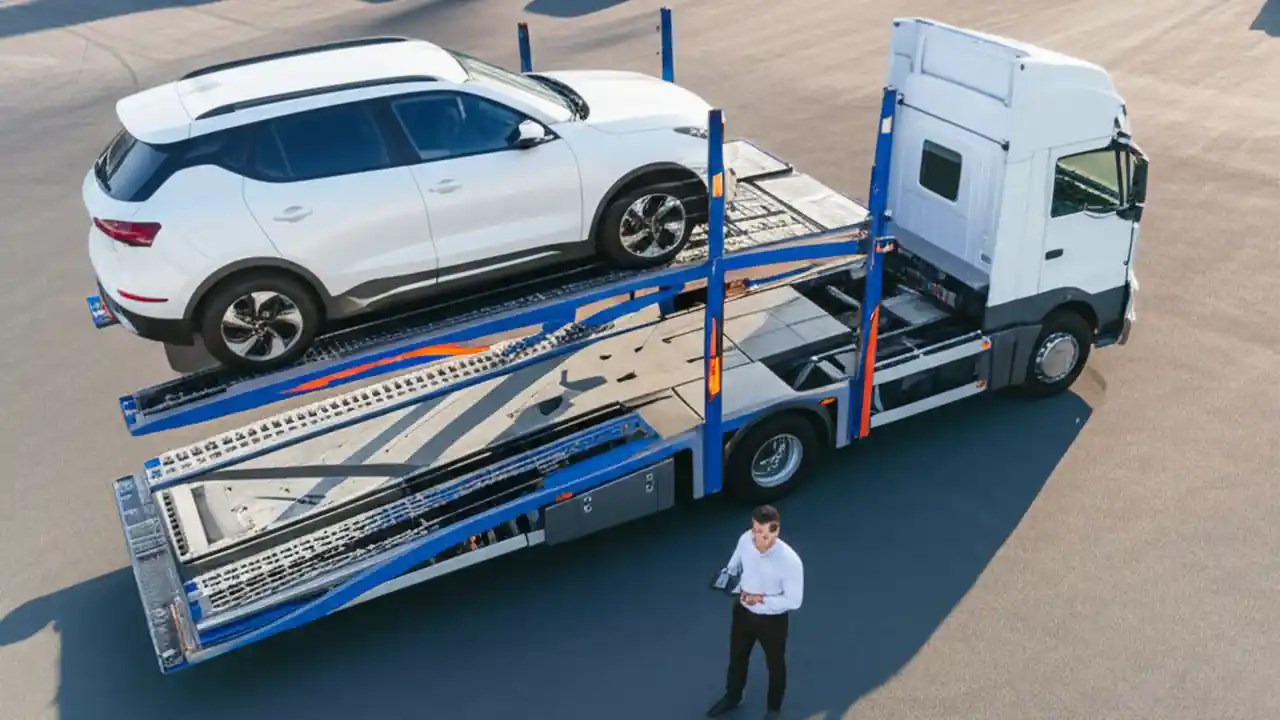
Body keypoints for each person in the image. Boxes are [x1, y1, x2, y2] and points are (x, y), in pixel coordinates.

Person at [707, 504, 804, 719]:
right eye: (755, 530)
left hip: (772, 621)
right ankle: (733, 696)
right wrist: (727, 575)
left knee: (775, 665)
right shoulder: (745, 540)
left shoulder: (790, 562)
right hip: (742, 612)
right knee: (737, 656)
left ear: (776, 530)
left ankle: (773, 709)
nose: (757, 538)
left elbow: (794, 601)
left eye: (764, 533)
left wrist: (760, 600)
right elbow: (735, 563)